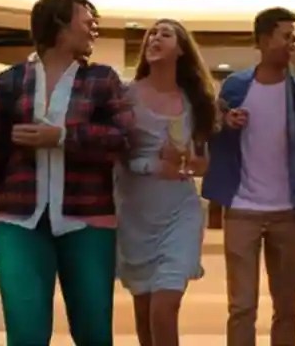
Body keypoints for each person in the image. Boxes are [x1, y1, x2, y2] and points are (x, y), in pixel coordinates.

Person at [0, 0, 131, 346]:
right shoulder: (10, 81)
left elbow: (124, 138)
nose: (94, 30)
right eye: (88, 22)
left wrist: (63, 136)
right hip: (19, 222)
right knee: (26, 334)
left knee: (94, 333)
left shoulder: (102, 79)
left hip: (89, 222)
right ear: (60, 26)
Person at [201, 7, 295, 346]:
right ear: (265, 39)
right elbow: (210, 129)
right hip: (242, 210)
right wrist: (225, 123)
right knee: (242, 306)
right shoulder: (237, 85)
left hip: (288, 211)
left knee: (286, 307)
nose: (293, 43)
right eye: (287, 36)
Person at [117, 19, 218, 346]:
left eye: (165, 33)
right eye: (152, 34)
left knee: (165, 306)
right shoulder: (126, 96)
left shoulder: (196, 100)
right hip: (136, 214)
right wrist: (154, 164)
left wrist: (193, 162)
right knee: (145, 313)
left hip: (180, 211)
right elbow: (115, 156)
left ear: (181, 50)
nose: (155, 38)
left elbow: (202, 162)